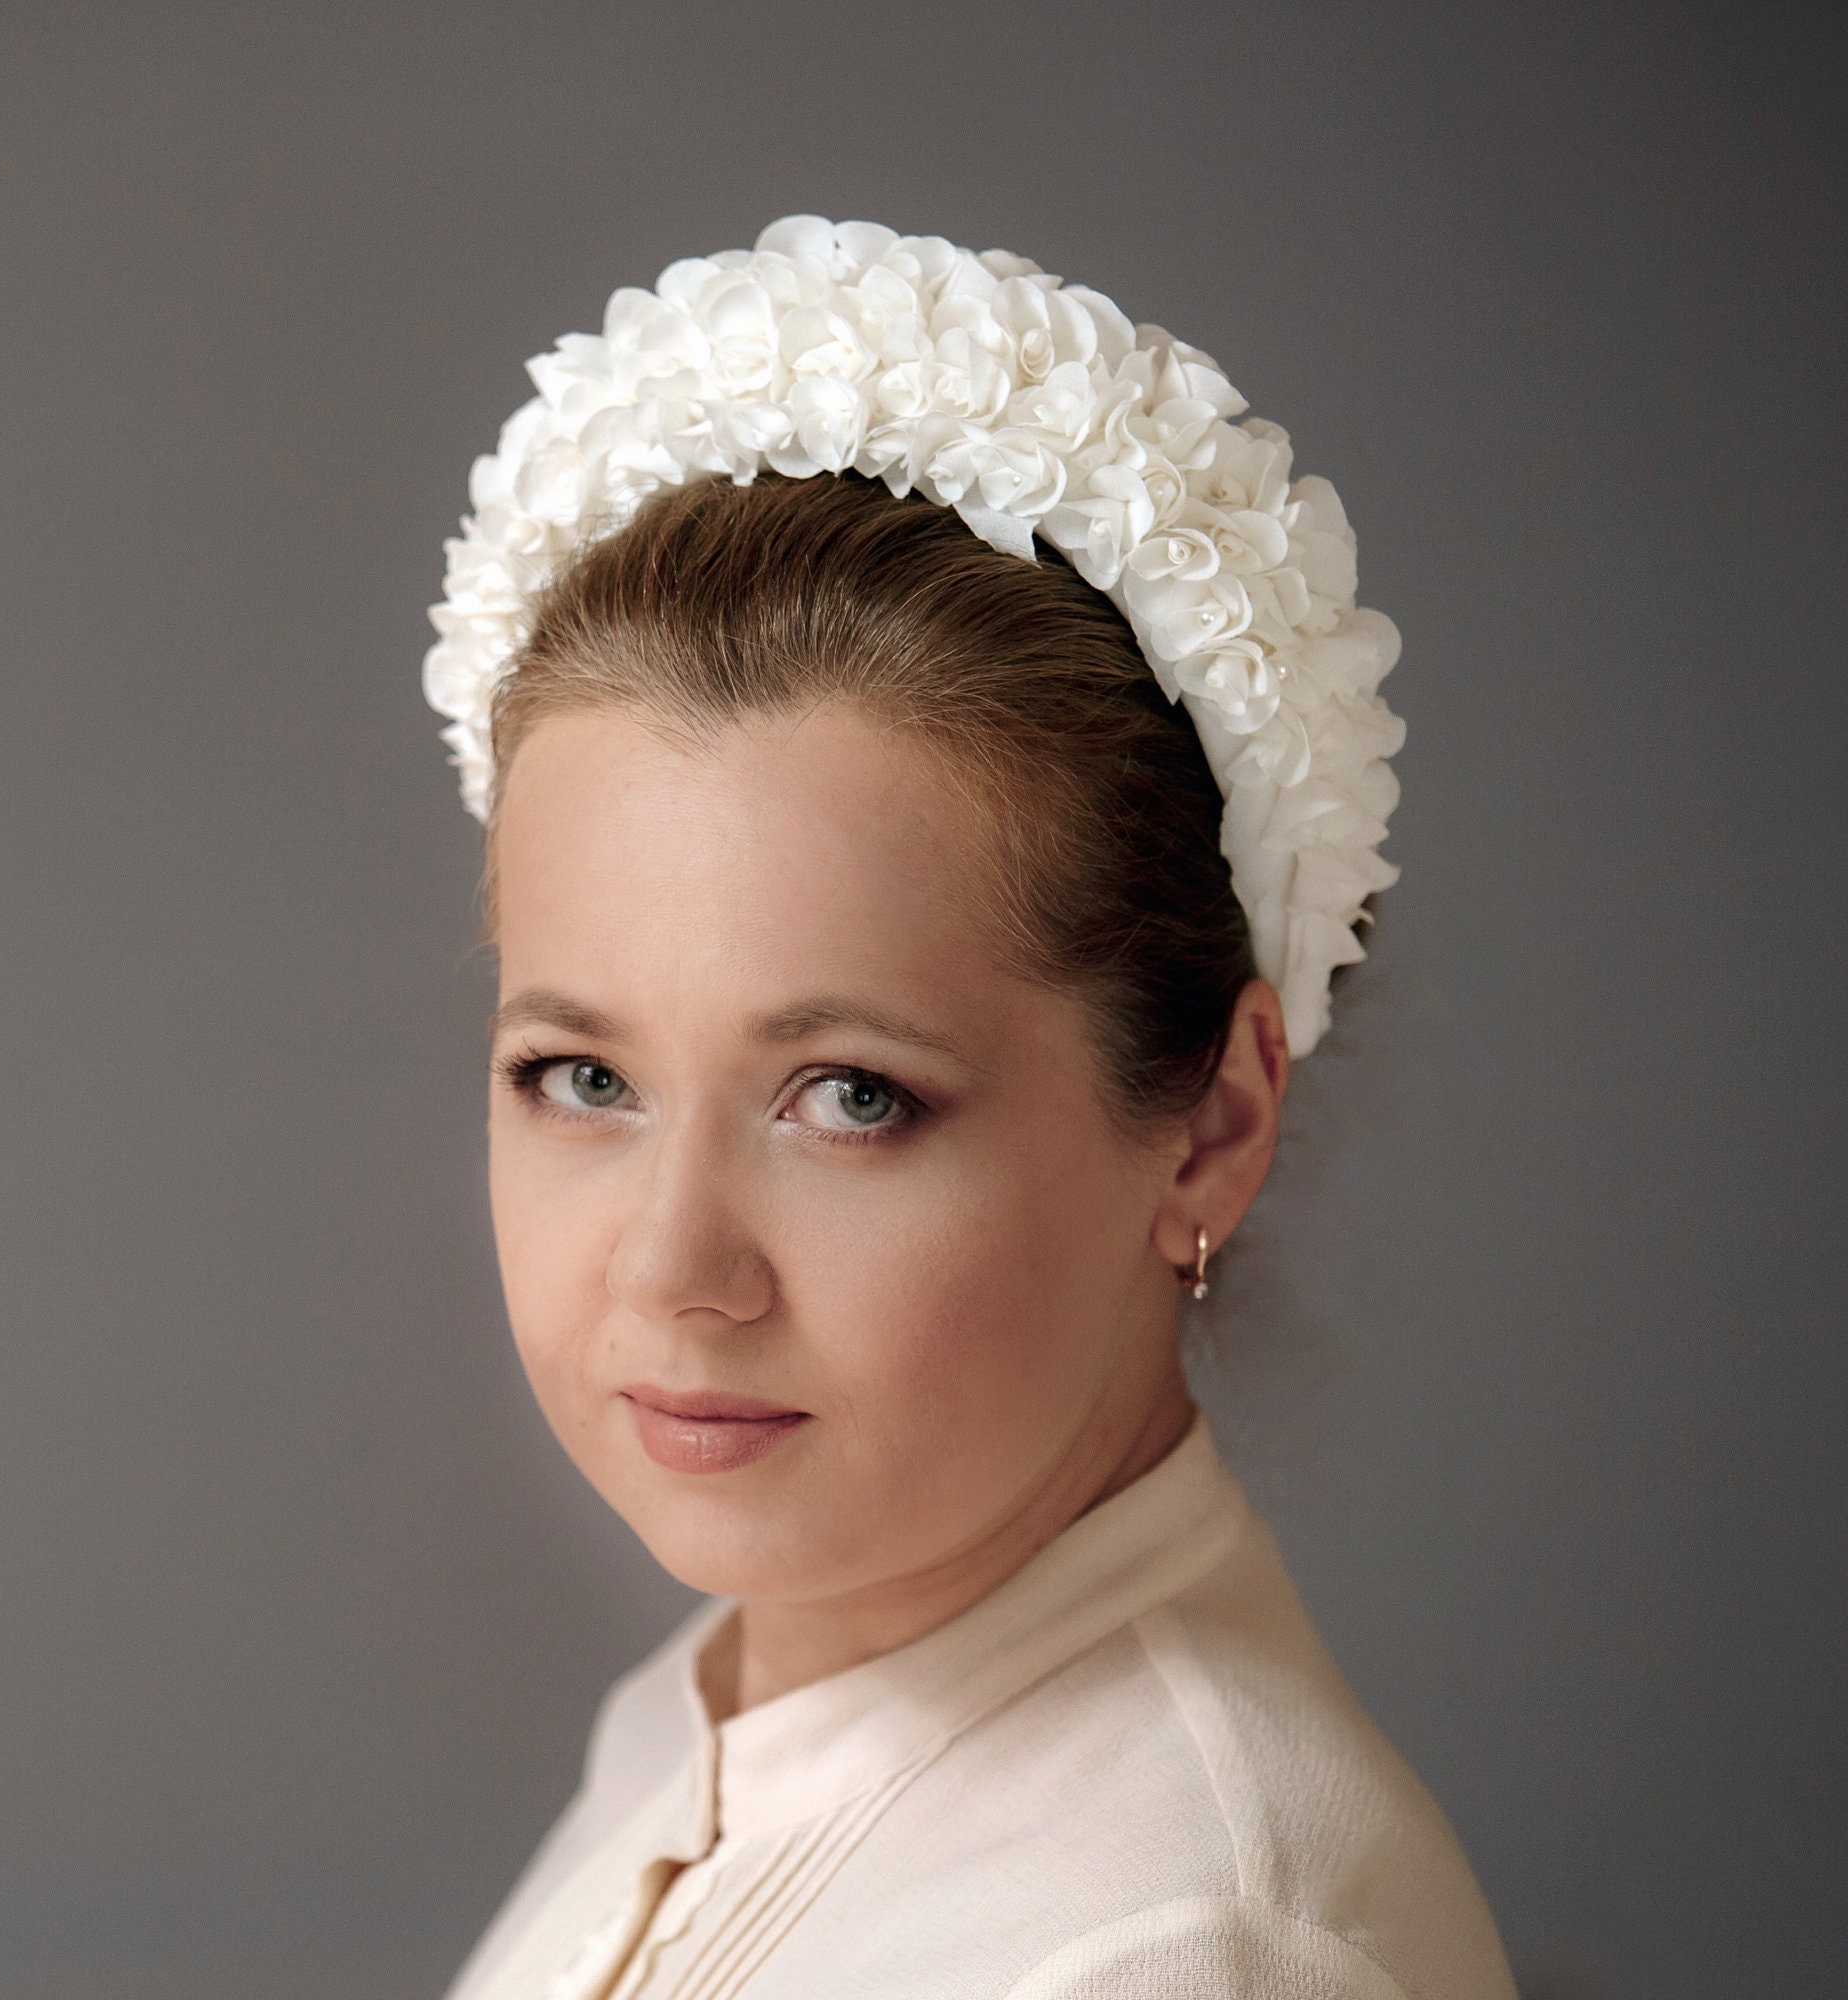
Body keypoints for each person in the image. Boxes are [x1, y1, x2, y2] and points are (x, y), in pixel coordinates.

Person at [421, 222, 1512, 2000]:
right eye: (585, 1079)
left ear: (1212, 1128)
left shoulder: (1177, 1950)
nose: (676, 1270)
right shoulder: (715, 1725)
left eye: (850, 1097)